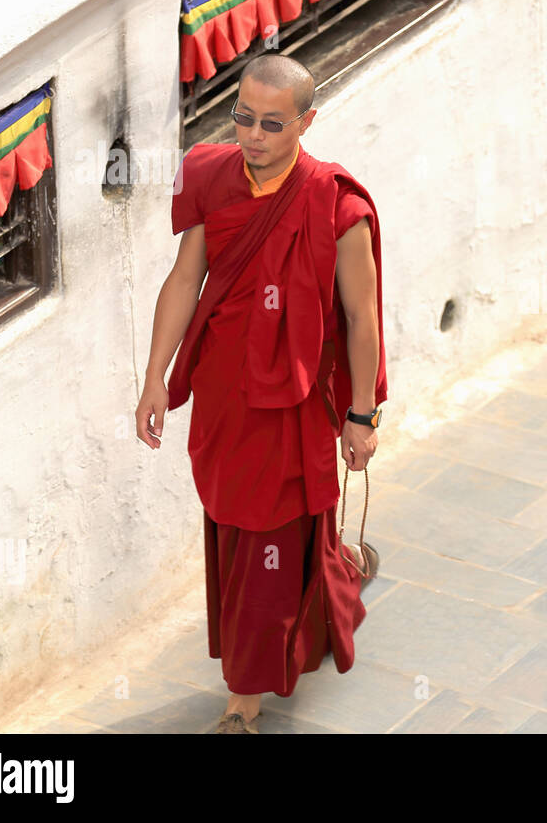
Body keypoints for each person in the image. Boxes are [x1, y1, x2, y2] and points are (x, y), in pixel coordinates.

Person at [134, 53, 388, 734]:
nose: (252, 136)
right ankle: (333, 582)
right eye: (242, 118)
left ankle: (243, 699)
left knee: (266, 541)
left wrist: (362, 415)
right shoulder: (212, 178)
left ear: (307, 121)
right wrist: (155, 375)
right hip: (223, 397)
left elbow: (361, 318)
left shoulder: (338, 206)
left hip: (293, 403)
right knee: (237, 530)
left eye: (272, 124)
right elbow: (184, 279)